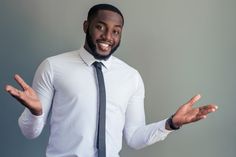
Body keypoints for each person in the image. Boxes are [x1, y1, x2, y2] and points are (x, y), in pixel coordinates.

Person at [5, 3, 218, 157]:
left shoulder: (131, 77)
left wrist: (171, 124)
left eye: (116, 31)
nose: (108, 36)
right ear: (86, 26)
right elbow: (30, 132)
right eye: (101, 27)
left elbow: (134, 138)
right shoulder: (53, 66)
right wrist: (36, 112)